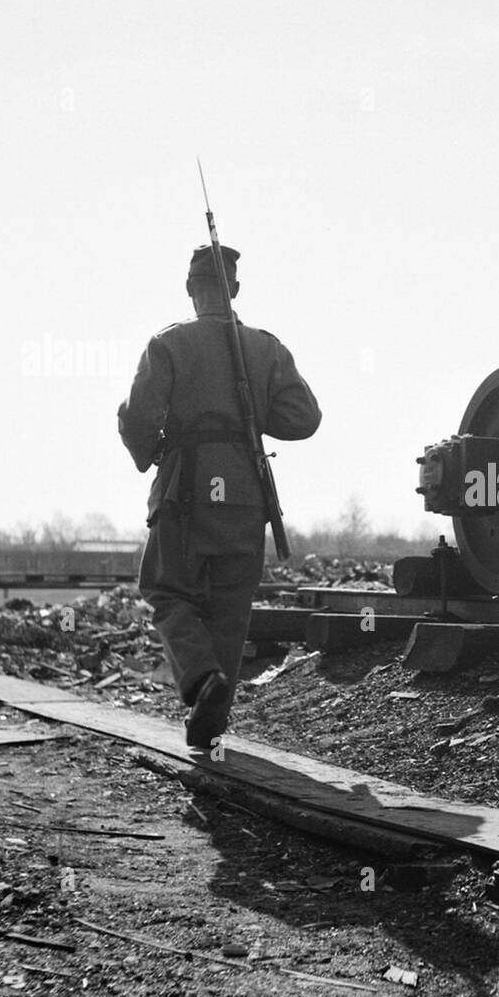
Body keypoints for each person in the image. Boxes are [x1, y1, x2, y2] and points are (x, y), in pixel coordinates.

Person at [118, 244, 321, 748]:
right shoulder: (266, 347)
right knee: (232, 606)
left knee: (167, 591)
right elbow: (304, 417)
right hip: (245, 495)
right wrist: (249, 415)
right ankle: (213, 716)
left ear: (191, 290)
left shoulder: (167, 344)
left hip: (185, 491)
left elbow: (138, 417)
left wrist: (149, 452)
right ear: (234, 289)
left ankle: (201, 678)